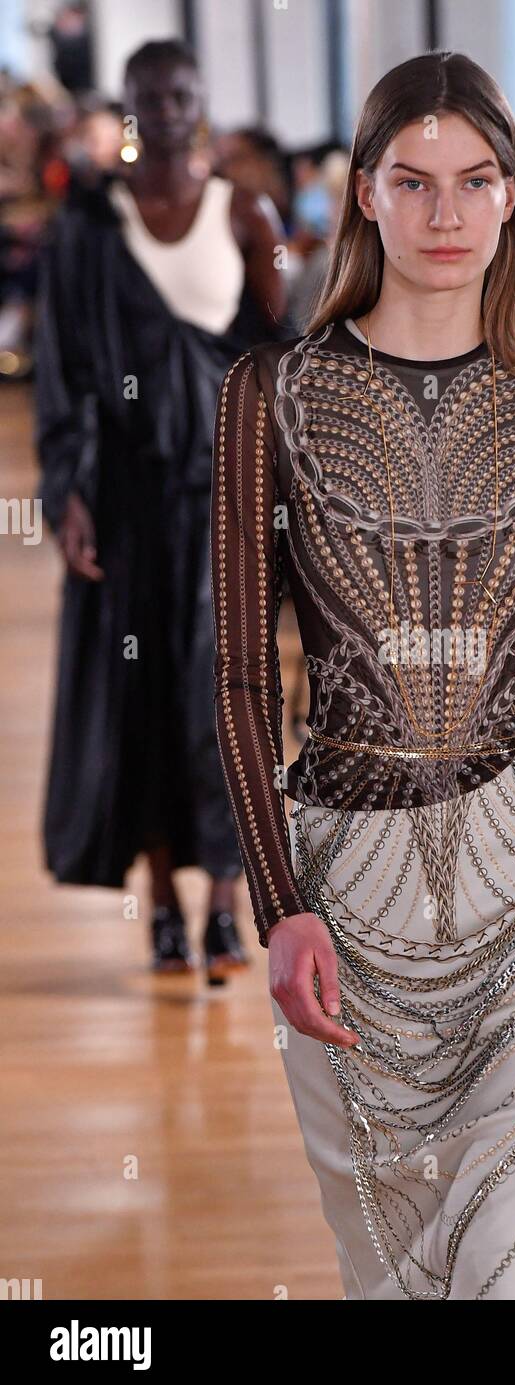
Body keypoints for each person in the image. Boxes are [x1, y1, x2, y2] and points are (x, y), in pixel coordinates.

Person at [211, 49, 515, 1301]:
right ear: (362, 194)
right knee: (394, 1280)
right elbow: (238, 675)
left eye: (475, 179)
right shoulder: (269, 396)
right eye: (414, 181)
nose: (445, 214)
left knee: (512, 1277)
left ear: (512, 198)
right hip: (347, 883)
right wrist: (276, 902)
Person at [34, 39, 291, 976]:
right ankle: (162, 911)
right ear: (134, 106)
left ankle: (225, 899)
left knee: (222, 699)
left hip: (219, 499)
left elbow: (278, 359)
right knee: (137, 699)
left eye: (184, 91)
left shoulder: (246, 212)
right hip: (127, 497)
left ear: (201, 99)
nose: (170, 107)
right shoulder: (92, 226)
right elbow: (64, 370)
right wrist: (66, 493)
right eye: (152, 95)